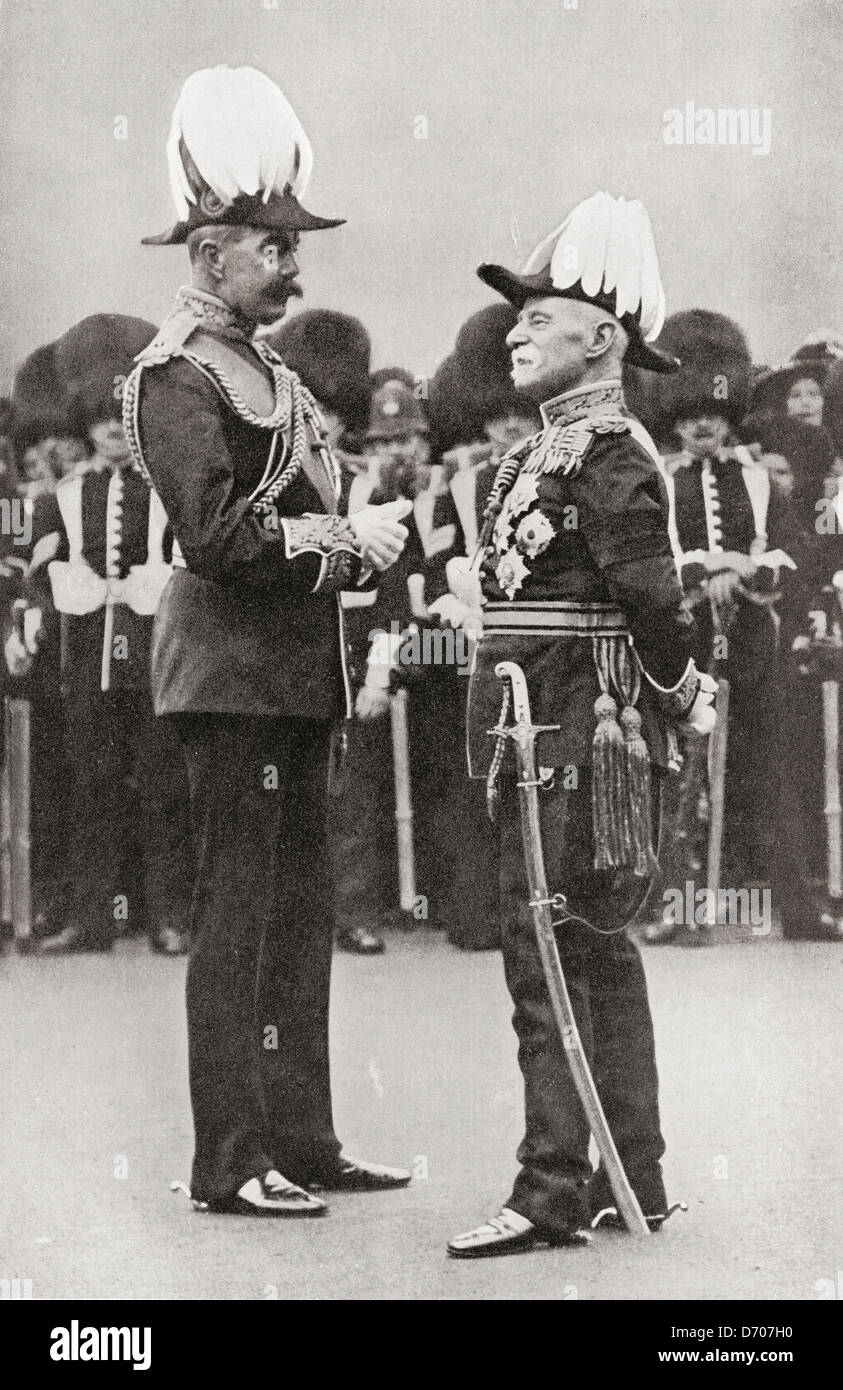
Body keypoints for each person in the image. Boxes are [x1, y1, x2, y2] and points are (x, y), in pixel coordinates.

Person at [124, 65, 412, 1216]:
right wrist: (351, 538)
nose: (293, 264)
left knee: (298, 913)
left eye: (294, 246)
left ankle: (300, 1135)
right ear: (210, 258)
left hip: (290, 675)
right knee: (239, 911)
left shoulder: (262, 366)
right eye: (274, 246)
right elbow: (218, 538)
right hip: (231, 679)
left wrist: (348, 531)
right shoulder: (175, 375)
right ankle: (228, 1159)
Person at [442, 191, 716, 1258]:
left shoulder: (604, 452)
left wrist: (678, 693)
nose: (515, 334)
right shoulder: (536, 454)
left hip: (573, 728)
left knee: (550, 946)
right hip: (535, 722)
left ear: (603, 339)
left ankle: (553, 1185)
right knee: (595, 947)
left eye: (538, 320)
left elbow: (653, 596)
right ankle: (626, 1167)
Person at [22, 314, 195, 956]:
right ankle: (91, 917)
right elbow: (40, 570)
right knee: (88, 786)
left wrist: (164, 579)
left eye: (120, 418)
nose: (110, 431)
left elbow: (193, 560)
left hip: (154, 657)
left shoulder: (173, 488)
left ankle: (169, 915)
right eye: (98, 420)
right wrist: (65, 579)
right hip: (86, 656)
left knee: (163, 784)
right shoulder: (63, 494)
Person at [626, 310, 784, 942]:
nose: (702, 426)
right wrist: (706, 570)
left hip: (747, 635)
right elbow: (659, 557)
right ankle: (677, 901)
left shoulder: (758, 479)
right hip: (686, 637)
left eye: (712, 416)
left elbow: (781, 554)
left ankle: (737, 896)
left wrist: (744, 568)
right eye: (690, 416)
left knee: (744, 763)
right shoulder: (661, 479)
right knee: (683, 767)